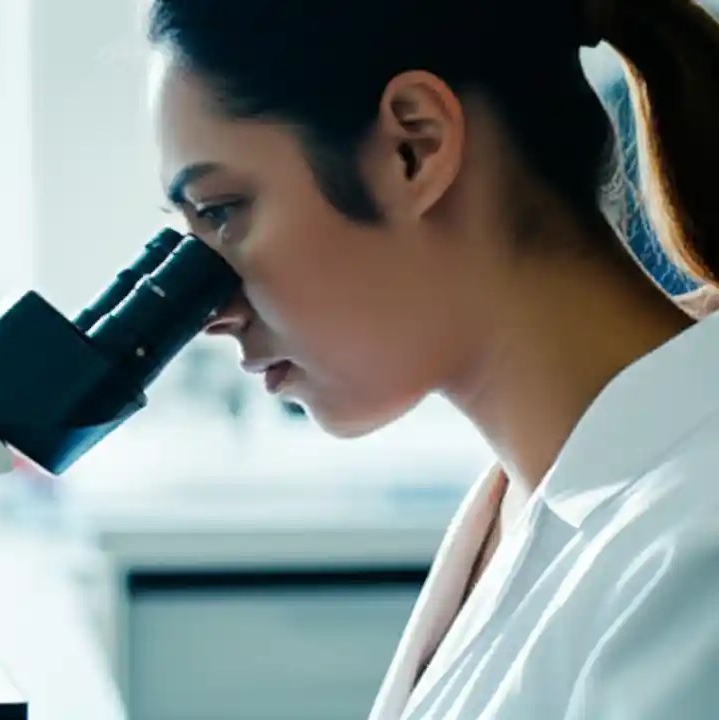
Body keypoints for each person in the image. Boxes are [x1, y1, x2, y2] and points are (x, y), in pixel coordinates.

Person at [146, 0, 719, 717]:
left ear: (411, 148)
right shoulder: (524, 505)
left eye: (223, 210)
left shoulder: (697, 552)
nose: (210, 312)